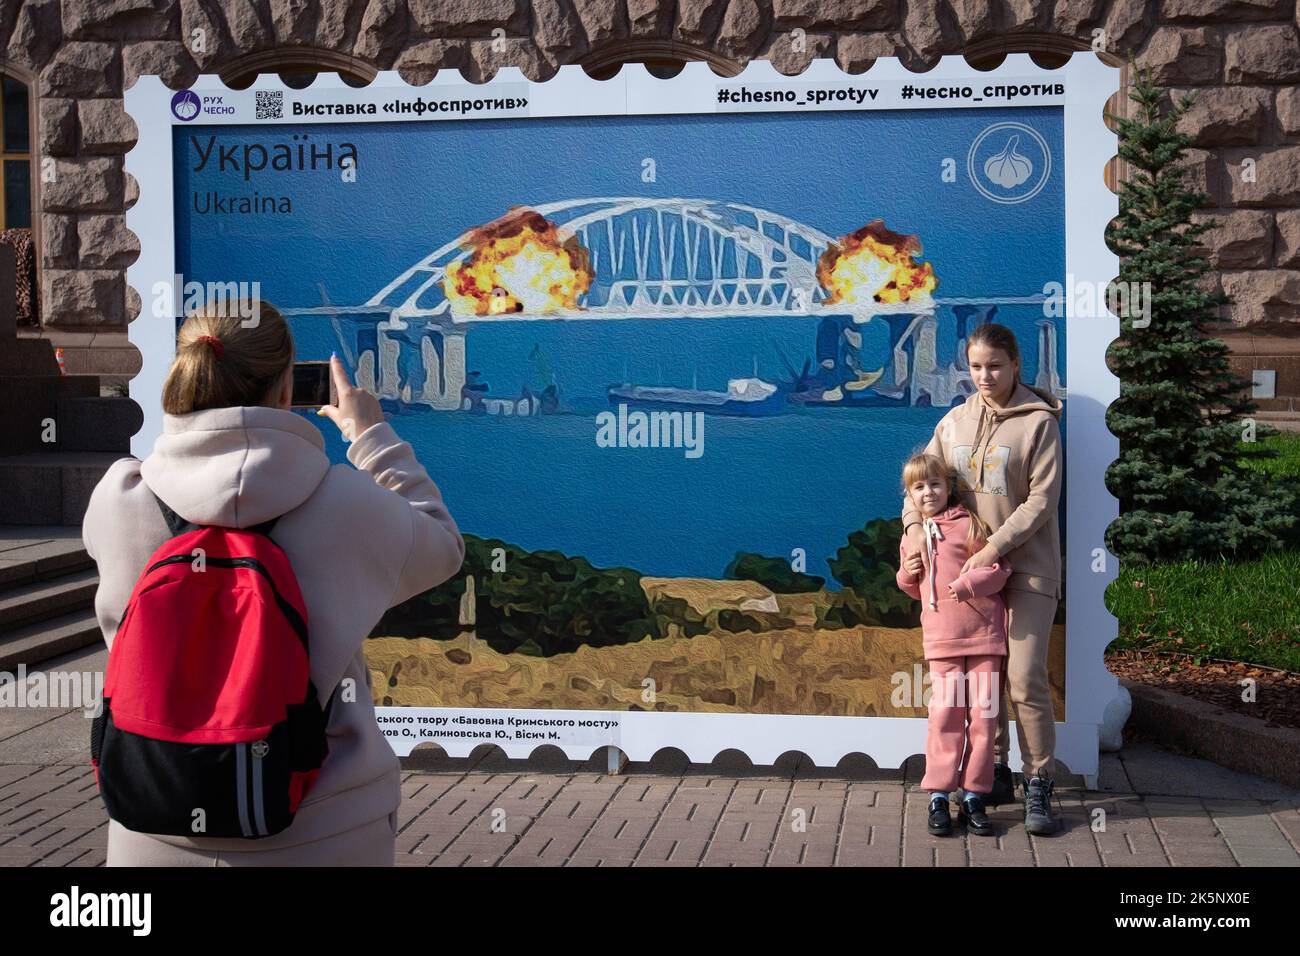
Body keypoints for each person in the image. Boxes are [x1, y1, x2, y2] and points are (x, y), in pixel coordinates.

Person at [82, 301, 465, 865]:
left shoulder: (119, 497)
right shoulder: (351, 505)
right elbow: (442, 545)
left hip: (150, 822)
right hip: (326, 831)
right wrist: (370, 434)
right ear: (289, 389)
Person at [900, 322, 1063, 836]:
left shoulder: (1040, 424)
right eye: (975, 367)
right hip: (970, 580)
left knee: (1024, 679)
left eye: (994, 365)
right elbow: (919, 483)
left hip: (1026, 569)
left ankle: (1039, 781)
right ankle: (991, 774)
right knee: (982, 685)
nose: (984, 376)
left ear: (1016, 365)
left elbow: (1042, 500)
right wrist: (912, 534)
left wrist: (992, 548)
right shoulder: (953, 423)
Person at [896, 453, 1011, 837]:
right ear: (909, 496)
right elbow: (913, 588)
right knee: (945, 714)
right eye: (919, 487)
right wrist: (905, 573)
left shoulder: (971, 525)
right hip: (941, 638)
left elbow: (999, 571)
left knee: (984, 718)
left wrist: (967, 585)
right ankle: (940, 795)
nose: (928, 492)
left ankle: (975, 794)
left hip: (984, 637)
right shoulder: (912, 536)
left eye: (935, 484)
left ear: (948, 487)